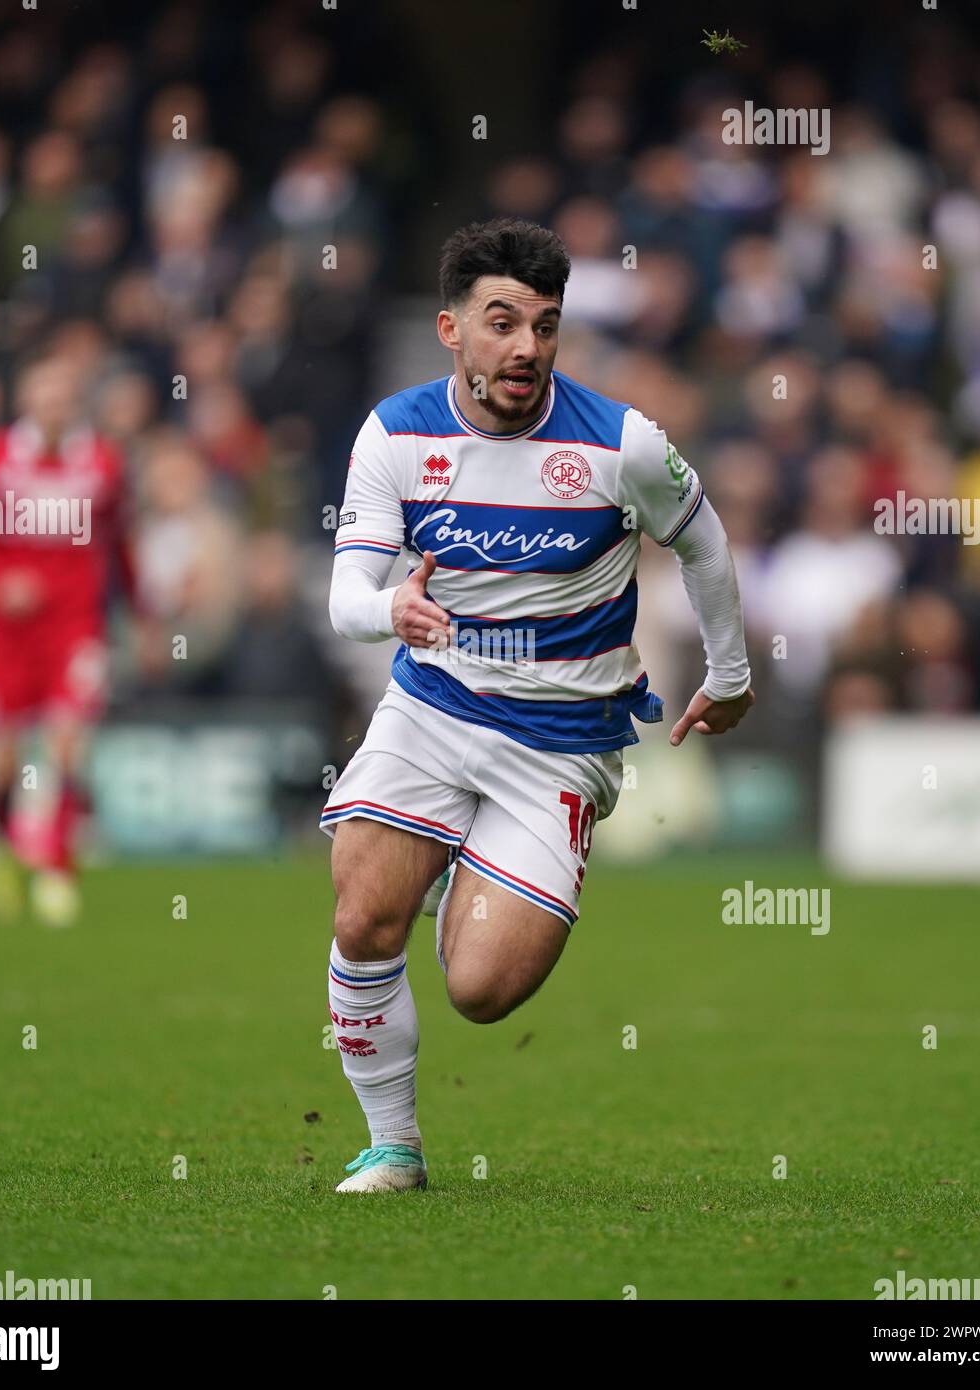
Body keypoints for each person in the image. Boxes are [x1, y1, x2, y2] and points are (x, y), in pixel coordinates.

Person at [321, 218, 754, 1192]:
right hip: (431, 708)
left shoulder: (620, 444)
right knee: (361, 916)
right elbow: (346, 597)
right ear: (451, 329)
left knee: (479, 989)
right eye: (502, 321)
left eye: (544, 325)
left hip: (560, 742)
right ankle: (393, 1145)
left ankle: (461, 872)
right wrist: (390, 606)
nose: (524, 347)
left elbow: (707, 541)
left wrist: (728, 677)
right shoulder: (395, 432)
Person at [0, 354, 136, 926]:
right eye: (44, 395)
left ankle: (56, 866)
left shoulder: (103, 462)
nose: (54, 406)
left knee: (65, 745)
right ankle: (3, 848)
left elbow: (120, 541)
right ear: (27, 400)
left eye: (64, 395)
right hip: (9, 631)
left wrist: (140, 608)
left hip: (76, 625)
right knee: (4, 760)